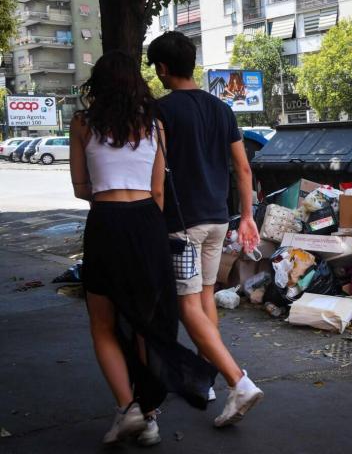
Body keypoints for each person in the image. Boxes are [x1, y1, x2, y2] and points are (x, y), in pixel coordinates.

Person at [69, 51, 217, 446]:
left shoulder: (82, 122)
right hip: (148, 223)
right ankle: (149, 418)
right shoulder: (154, 124)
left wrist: (107, 192)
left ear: (97, 85)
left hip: (106, 222)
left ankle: (127, 408)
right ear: (136, 84)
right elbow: (157, 191)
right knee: (146, 323)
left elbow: (80, 187)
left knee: (103, 323)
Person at [146, 31, 263, 428]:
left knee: (187, 305)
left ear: (163, 68)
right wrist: (246, 216)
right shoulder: (222, 108)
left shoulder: (160, 111)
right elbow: (243, 167)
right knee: (206, 296)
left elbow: (155, 175)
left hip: (182, 225)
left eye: (156, 68)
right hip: (217, 219)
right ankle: (205, 378)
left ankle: (235, 381)